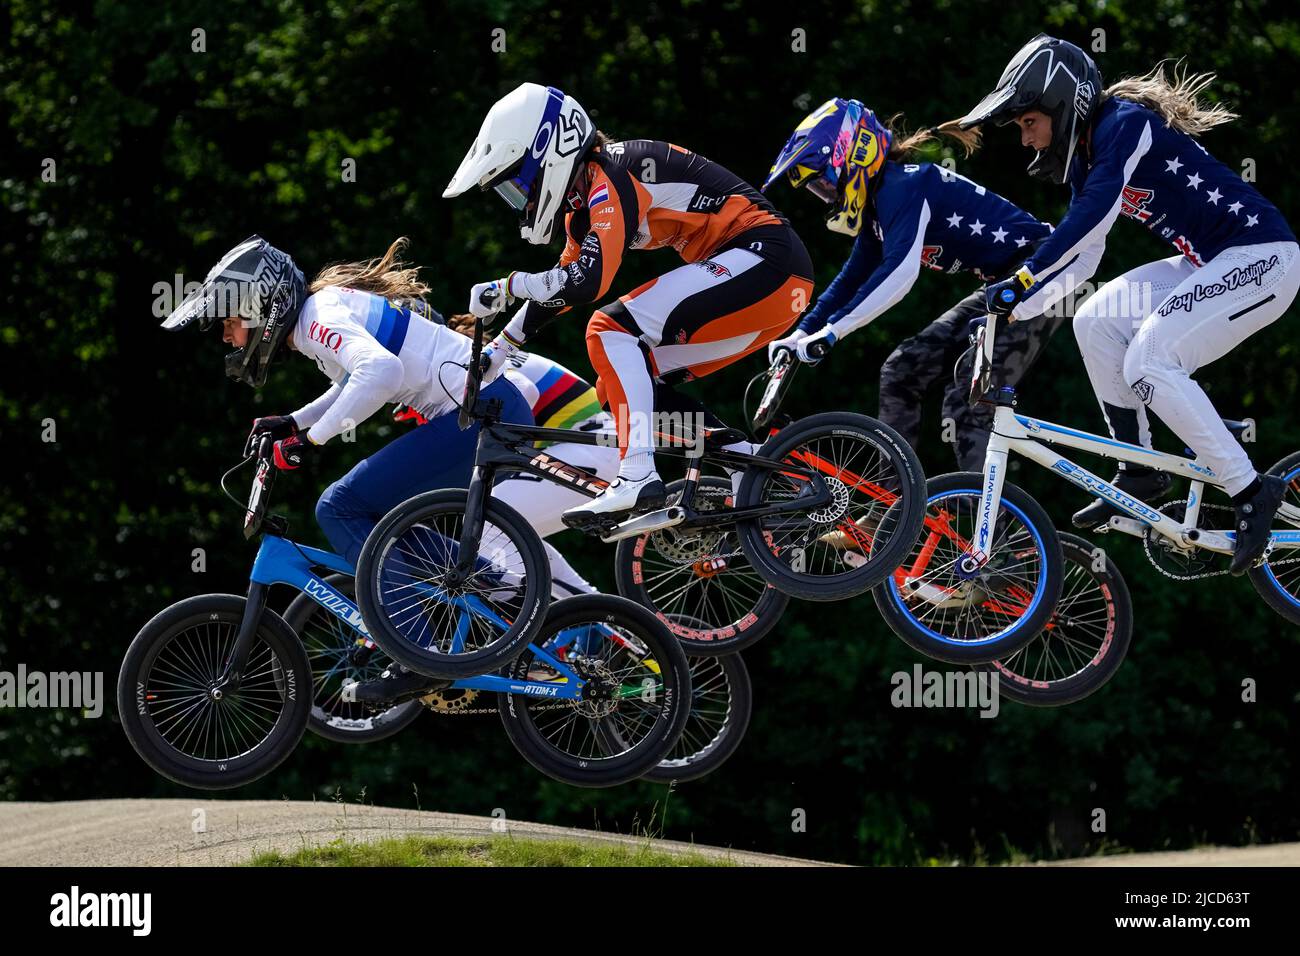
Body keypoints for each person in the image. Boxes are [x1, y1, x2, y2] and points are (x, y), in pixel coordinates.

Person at [159, 235, 594, 698]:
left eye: (229, 323)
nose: (227, 337)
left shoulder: (317, 318)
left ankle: (417, 650)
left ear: (261, 304)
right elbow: (351, 380)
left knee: (339, 506)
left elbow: (380, 373)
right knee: (382, 520)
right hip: (486, 410)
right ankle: (495, 587)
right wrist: (293, 421)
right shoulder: (318, 315)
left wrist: (311, 438)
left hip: (482, 412)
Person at [958, 35, 1299, 574]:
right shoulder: (1093, 149)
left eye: (1028, 123)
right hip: (1210, 263)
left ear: (1062, 102)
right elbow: (1084, 258)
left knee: (1150, 361)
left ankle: (1252, 490)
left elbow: (1089, 217)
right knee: (1095, 319)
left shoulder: (1124, 124)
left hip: (1262, 259)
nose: (1025, 140)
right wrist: (1012, 311)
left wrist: (1020, 278)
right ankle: (1137, 467)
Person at [442, 82, 814, 521]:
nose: (520, 202)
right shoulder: (584, 204)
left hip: (765, 259)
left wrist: (508, 287)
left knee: (608, 329)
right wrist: (499, 350)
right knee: (618, 387)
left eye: (518, 183)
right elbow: (563, 285)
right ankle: (747, 462)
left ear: (551, 150)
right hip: (767, 288)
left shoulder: (614, 174)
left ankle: (637, 475)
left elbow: (589, 283)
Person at [762, 97, 1089, 469]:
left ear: (855, 155)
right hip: (1003, 283)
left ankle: (988, 524)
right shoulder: (877, 210)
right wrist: (801, 332)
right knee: (901, 371)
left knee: (967, 399)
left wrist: (834, 332)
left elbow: (900, 274)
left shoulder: (904, 186)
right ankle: (893, 509)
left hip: (1041, 273)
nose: (826, 195)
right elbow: (849, 281)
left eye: (823, 181)